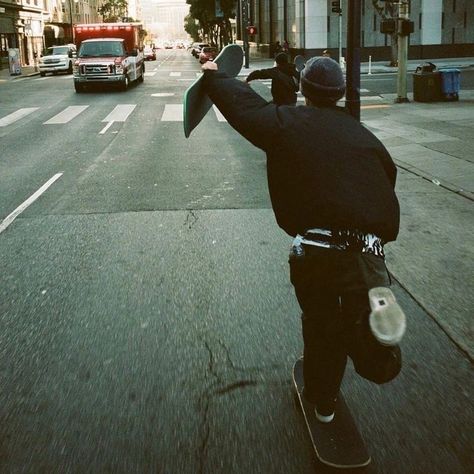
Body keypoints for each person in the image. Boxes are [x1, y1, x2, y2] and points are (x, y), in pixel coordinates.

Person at [201, 56, 406, 423]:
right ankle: (372, 341)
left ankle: (324, 402)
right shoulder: (365, 137)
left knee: (321, 324)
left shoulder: (286, 123)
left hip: (317, 251)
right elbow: (386, 185)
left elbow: (244, 107)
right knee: (358, 321)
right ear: (340, 93)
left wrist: (215, 77)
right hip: (367, 254)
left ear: (303, 90)